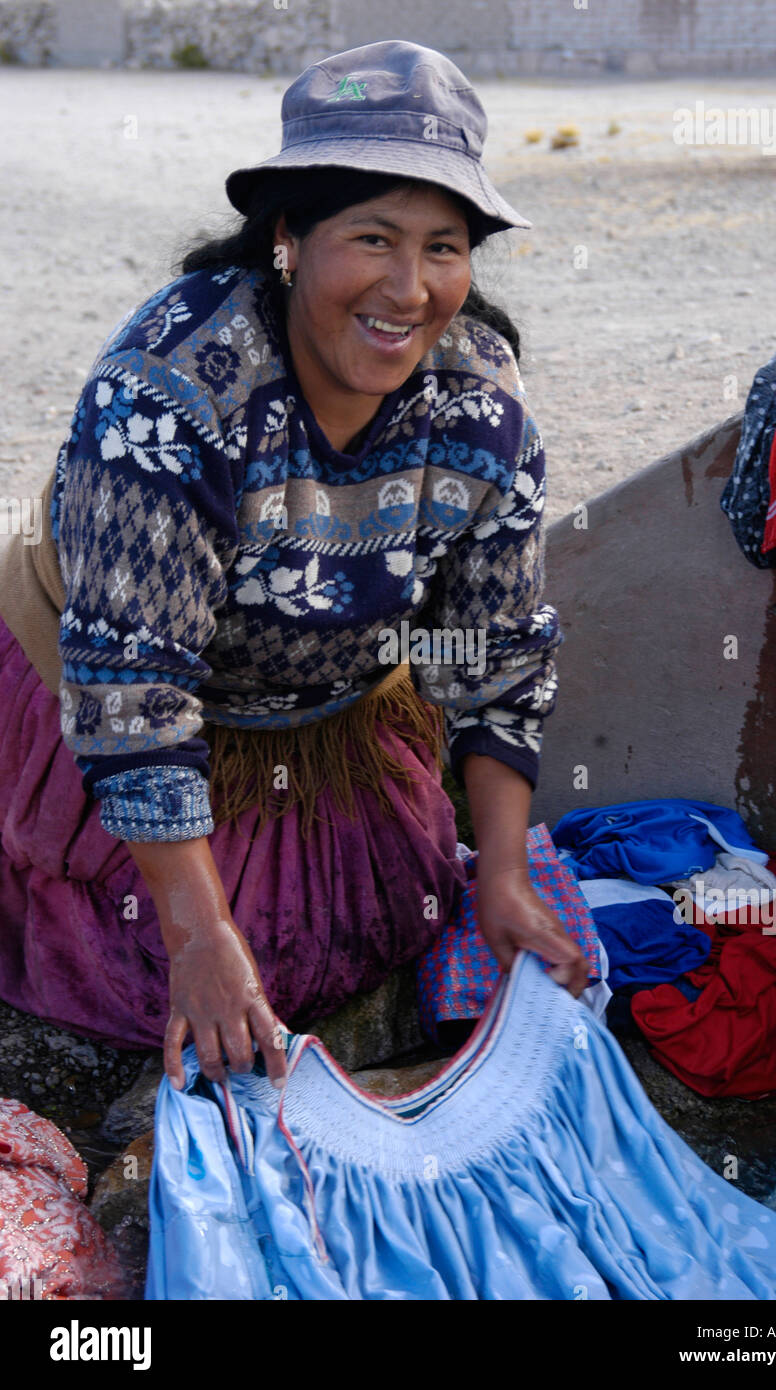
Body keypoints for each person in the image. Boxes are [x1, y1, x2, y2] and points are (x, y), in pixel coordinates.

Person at [0, 40, 586, 1094]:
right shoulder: (170, 390)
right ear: (288, 238)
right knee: (157, 992)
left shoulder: (480, 402)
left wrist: (500, 869)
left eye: (444, 248)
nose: (409, 289)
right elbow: (133, 688)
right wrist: (193, 933)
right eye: (372, 236)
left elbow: (495, 648)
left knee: (378, 935)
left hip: (328, 707)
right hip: (120, 695)